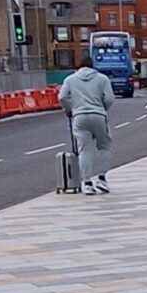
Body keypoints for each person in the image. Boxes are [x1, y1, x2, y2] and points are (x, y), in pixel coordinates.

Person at [59, 57, 116, 193]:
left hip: (79, 117)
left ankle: (87, 182)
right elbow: (109, 98)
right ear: (92, 66)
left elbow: (62, 97)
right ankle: (101, 179)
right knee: (105, 146)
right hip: (98, 115)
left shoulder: (70, 79)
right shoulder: (102, 79)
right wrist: (102, 109)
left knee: (84, 150)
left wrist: (70, 109)